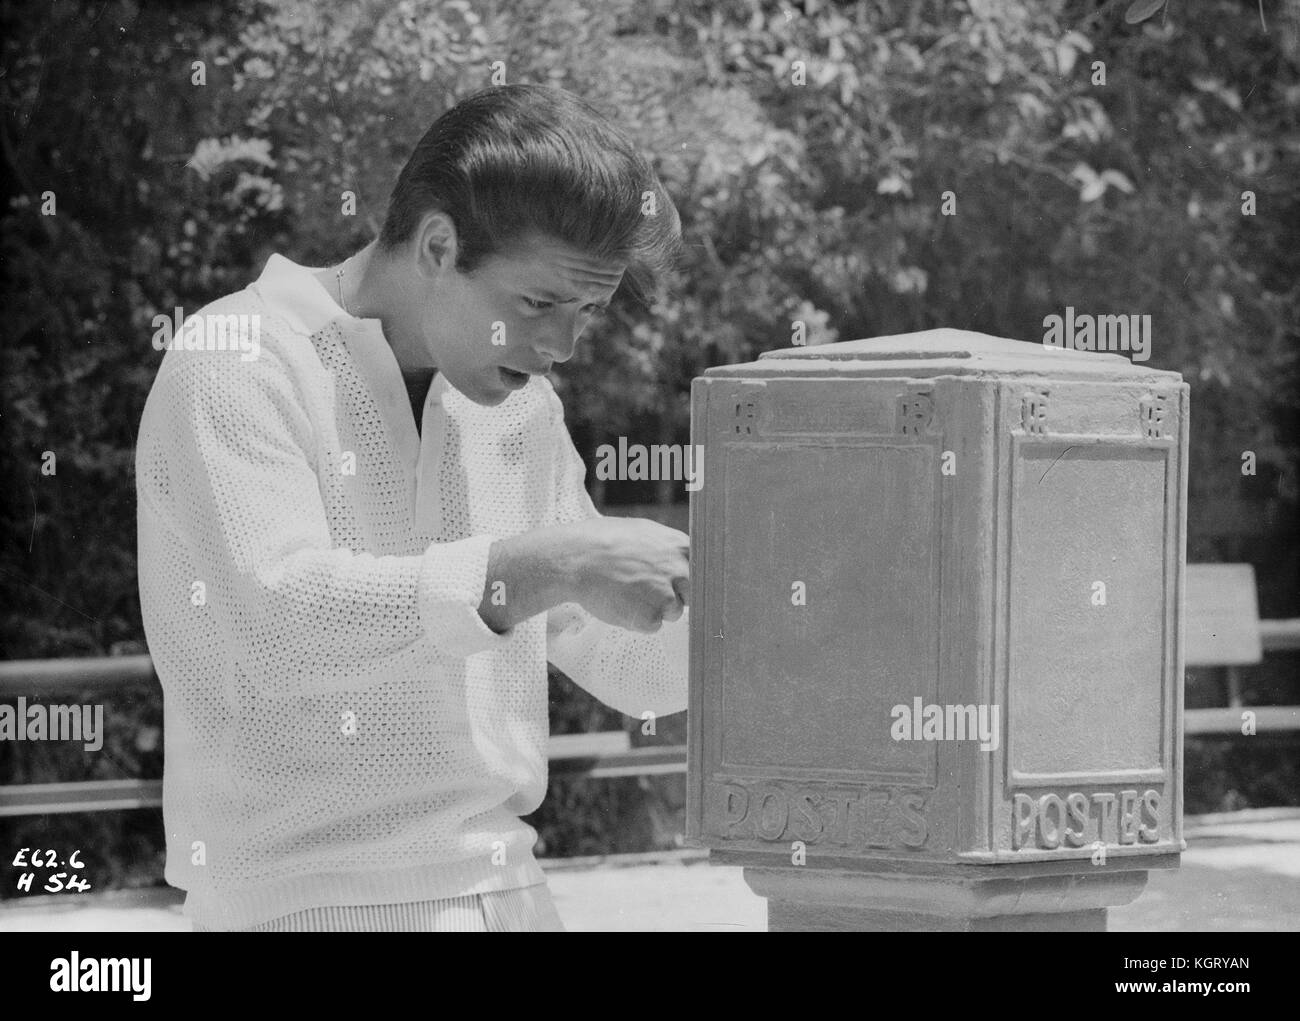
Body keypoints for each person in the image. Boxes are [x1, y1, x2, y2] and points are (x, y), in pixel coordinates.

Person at [135, 84, 691, 932]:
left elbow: (617, 651)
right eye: (538, 303)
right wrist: (553, 563)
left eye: (587, 312)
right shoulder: (236, 360)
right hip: (297, 900)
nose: (559, 348)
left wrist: (779, 602)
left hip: (512, 892)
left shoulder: (522, 410)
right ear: (438, 243)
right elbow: (280, 619)